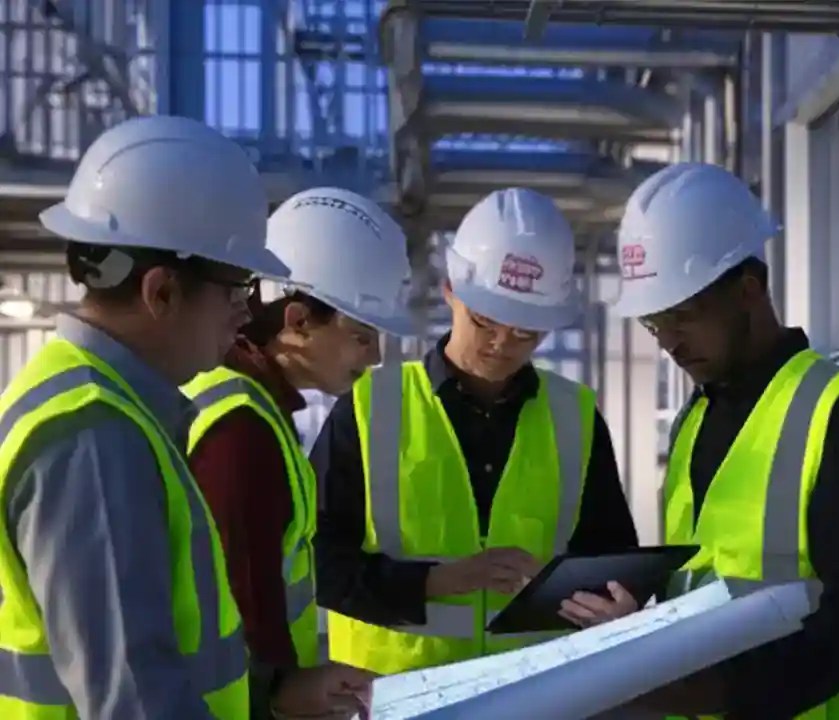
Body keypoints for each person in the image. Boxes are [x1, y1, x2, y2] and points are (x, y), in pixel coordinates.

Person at [0, 115, 345, 719]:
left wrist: (274, 694)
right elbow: (135, 701)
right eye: (236, 287)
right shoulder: (93, 438)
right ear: (161, 293)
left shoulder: (99, 405)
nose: (246, 313)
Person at [610, 162, 839, 719]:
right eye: (655, 324)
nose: (670, 343)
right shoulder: (694, 421)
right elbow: (704, 583)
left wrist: (712, 692)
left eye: (684, 315)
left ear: (749, 290)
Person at [312, 187, 640, 676]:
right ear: (451, 290)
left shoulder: (576, 417)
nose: (501, 344)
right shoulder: (368, 408)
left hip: (533, 699)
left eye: (525, 333)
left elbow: (615, 568)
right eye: (484, 322)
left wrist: (602, 604)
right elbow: (317, 564)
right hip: (397, 699)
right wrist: (436, 582)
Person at [184, 187, 418, 718]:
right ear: (297, 322)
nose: (376, 357)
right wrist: (284, 693)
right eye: (362, 336)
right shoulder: (241, 432)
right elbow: (245, 607)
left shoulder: (246, 408)